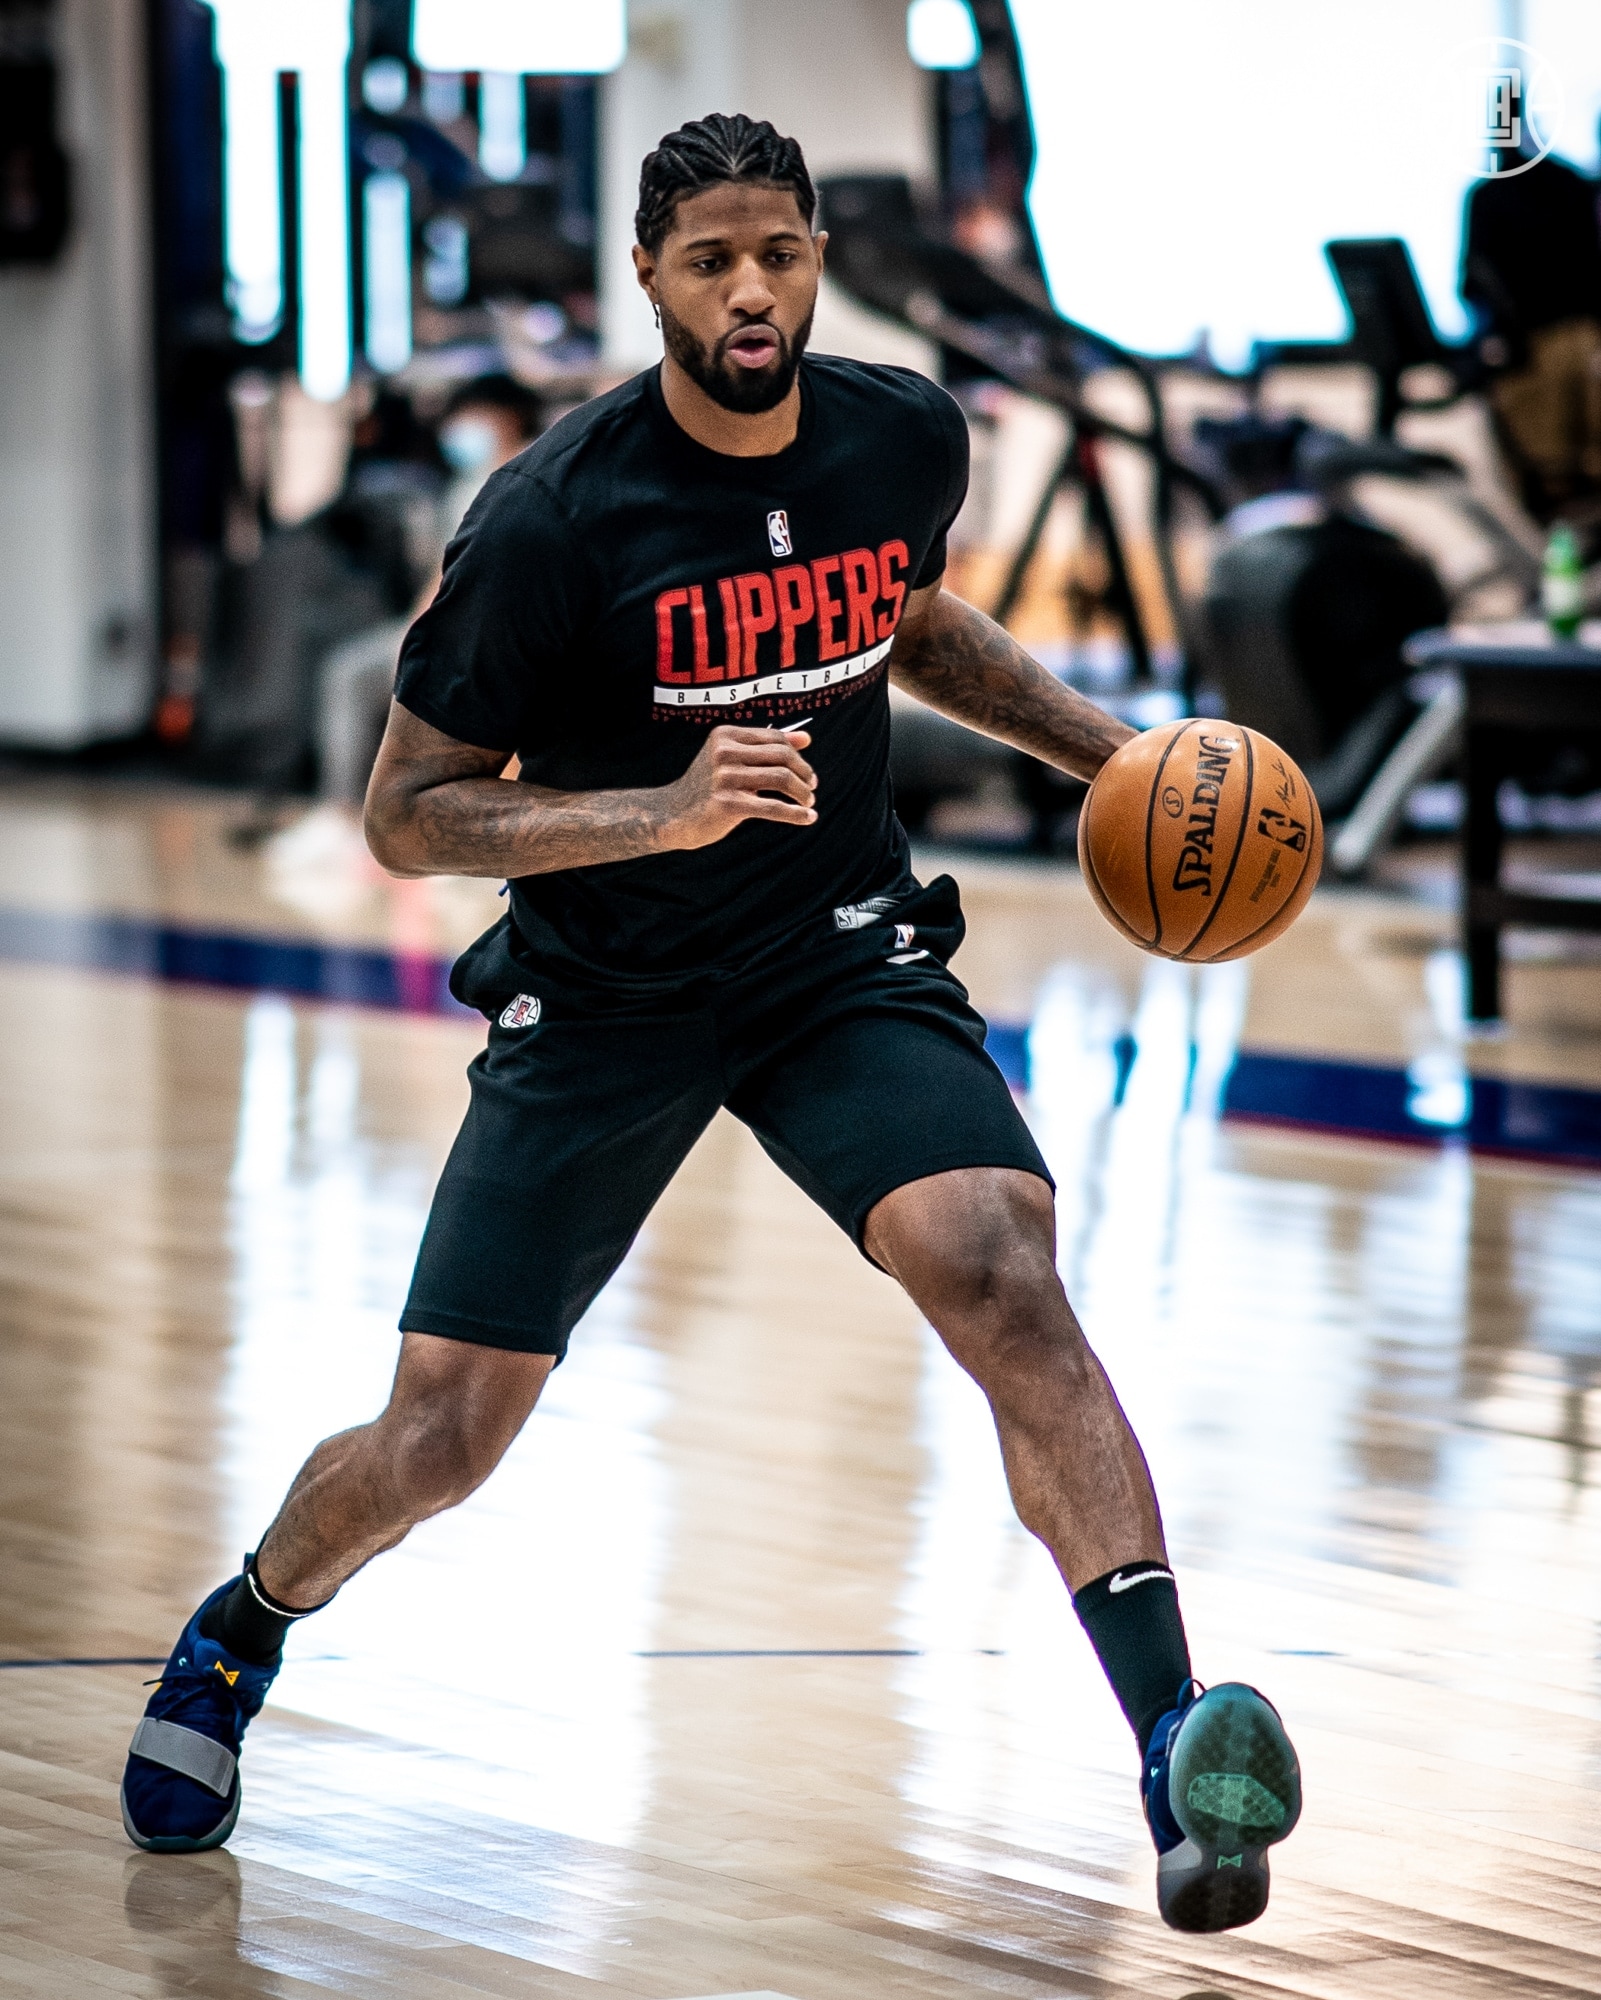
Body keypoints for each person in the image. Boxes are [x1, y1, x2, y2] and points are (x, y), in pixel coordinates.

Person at [120, 114, 1300, 1934]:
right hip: (605, 995)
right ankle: (242, 1628)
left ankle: (1172, 1747)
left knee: (1000, 1267)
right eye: (711, 262)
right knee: (441, 1437)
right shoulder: (550, 519)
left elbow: (900, 622)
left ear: (817, 255)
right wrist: (654, 812)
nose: (753, 291)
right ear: (651, 278)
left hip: (833, 957)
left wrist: (1117, 755)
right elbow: (410, 816)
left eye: (781, 253)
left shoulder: (901, 432)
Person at [317, 374, 544, 802]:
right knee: (350, 674)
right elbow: (444, 574)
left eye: (473, 415)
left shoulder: (524, 479)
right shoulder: (467, 485)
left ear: (509, 418)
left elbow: (459, 579)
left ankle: (366, 816)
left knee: (355, 678)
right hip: (457, 628)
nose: (460, 428)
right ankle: (349, 815)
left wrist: (418, 639)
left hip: (492, 634)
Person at [1462, 136, 1601, 522]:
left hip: (1554, 353)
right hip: (1531, 354)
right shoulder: (1494, 197)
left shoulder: (1569, 188)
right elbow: (1473, 284)